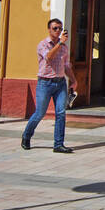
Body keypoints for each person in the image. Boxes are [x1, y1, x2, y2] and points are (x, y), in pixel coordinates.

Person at [21, 18, 76, 153]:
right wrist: (60, 43)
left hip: (60, 83)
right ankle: (26, 136)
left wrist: (74, 80)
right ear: (49, 29)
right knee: (40, 113)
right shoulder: (43, 44)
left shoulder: (64, 47)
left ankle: (58, 144)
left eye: (60, 28)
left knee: (61, 113)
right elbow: (49, 57)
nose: (58, 31)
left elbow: (67, 66)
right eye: (55, 28)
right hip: (45, 83)